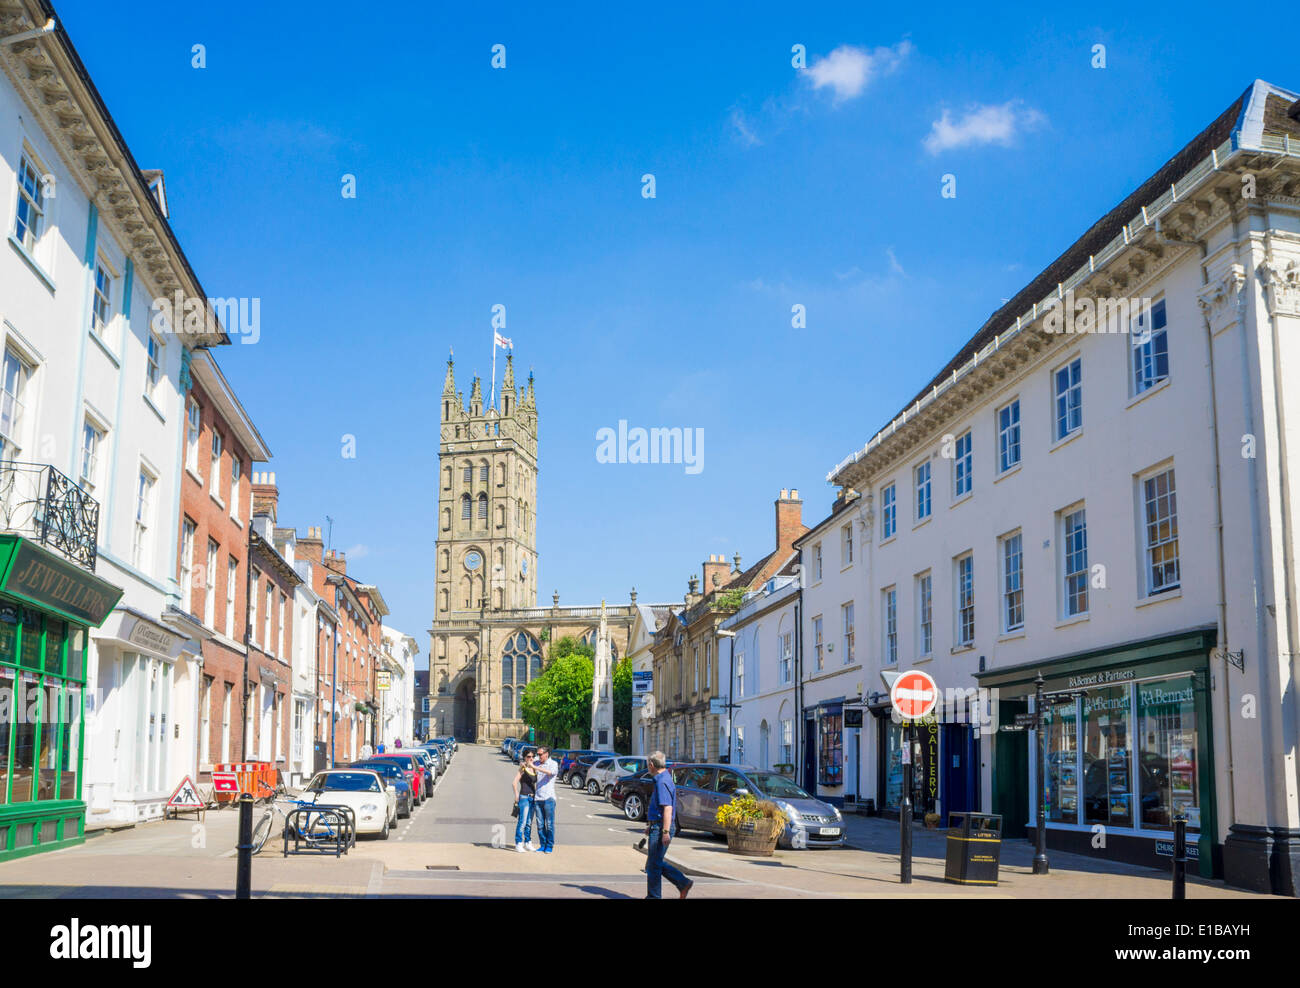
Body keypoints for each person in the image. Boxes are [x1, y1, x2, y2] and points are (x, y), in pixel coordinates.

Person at [645, 751, 692, 899]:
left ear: (652, 765)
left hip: (660, 828)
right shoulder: (663, 778)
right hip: (657, 825)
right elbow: (659, 808)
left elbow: (667, 808)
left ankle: (655, 896)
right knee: (654, 863)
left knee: (653, 865)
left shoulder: (662, 781)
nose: (648, 767)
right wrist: (650, 824)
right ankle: (682, 883)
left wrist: (665, 831)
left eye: (648, 765)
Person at [532, 745, 560, 853]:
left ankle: (549, 845)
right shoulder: (537, 763)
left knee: (549, 824)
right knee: (539, 824)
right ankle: (542, 844)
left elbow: (550, 773)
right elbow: (526, 764)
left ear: (546, 754)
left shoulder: (553, 764)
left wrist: (535, 767)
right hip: (538, 798)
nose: (538, 756)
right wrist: (528, 761)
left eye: (540, 754)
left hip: (549, 798)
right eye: (537, 754)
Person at [512, 749, 539, 852]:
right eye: (528, 756)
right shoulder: (522, 769)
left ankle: (528, 842)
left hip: (532, 798)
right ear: (524, 757)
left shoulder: (534, 769)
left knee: (529, 822)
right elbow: (514, 783)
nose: (530, 758)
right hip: (524, 797)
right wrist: (516, 795)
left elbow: (535, 784)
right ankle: (518, 843)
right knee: (522, 822)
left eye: (532, 756)